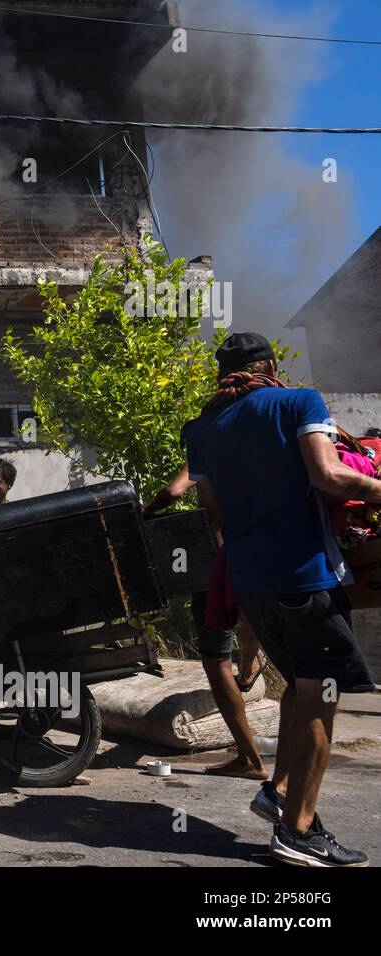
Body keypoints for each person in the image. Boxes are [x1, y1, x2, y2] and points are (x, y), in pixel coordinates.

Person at [184, 331, 379, 867]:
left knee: (301, 684)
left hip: (250, 582)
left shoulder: (201, 429)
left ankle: (277, 793)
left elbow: (214, 513)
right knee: (323, 695)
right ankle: (298, 831)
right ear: (269, 365)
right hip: (304, 577)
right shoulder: (298, 400)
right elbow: (329, 475)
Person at [145, 463, 269, 779]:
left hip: (219, 562)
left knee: (216, 662)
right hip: (260, 554)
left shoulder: (208, 448)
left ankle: (250, 759)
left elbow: (173, 491)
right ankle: (251, 662)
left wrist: (146, 513)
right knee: (251, 614)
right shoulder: (256, 448)